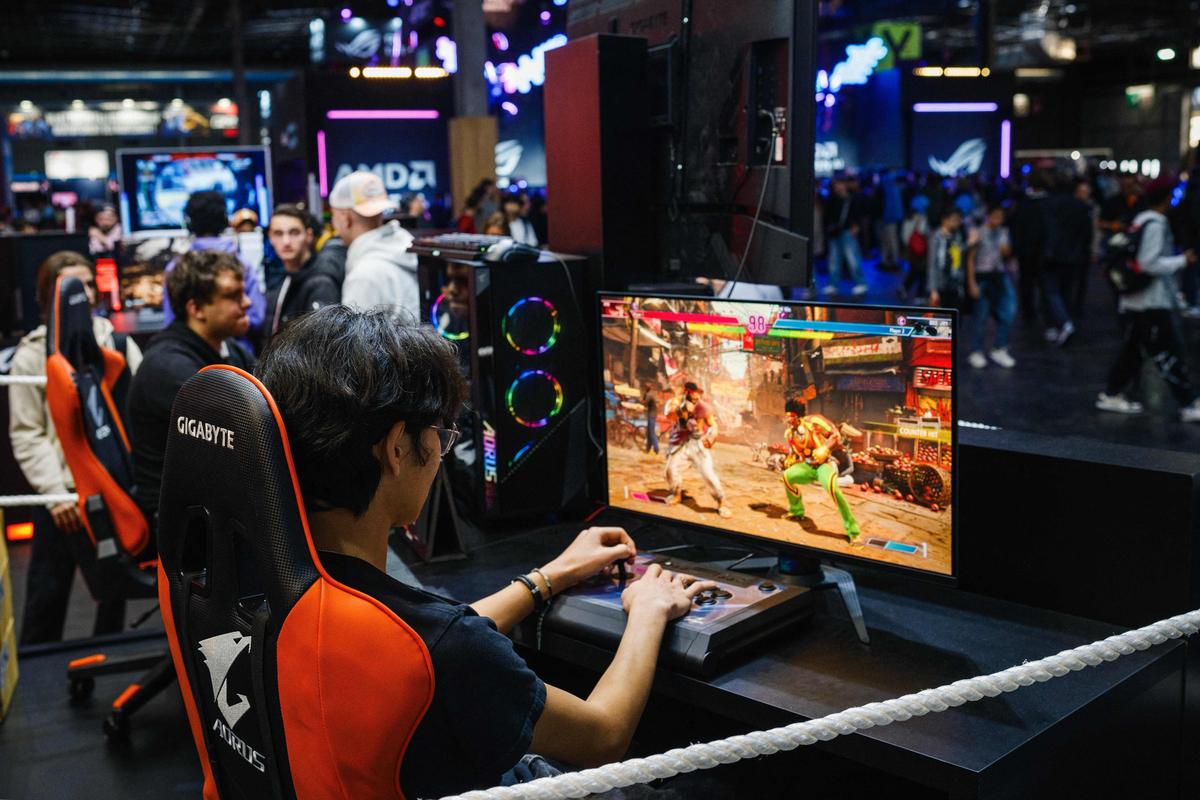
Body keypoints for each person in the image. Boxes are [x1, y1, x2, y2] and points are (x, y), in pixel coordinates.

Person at [256, 306, 717, 797]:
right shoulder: (447, 647)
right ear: (396, 448)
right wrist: (648, 611)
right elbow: (604, 734)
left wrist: (549, 577)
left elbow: (414, 655)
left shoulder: (276, 577)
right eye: (440, 433)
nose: (439, 451)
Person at [9, 251, 143, 643]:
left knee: (114, 592)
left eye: (86, 285)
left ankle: (103, 666)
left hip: (112, 491)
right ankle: (37, 683)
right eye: (70, 286)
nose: (80, 294)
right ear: (46, 294)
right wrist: (54, 494)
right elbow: (27, 432)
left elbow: (134, 414)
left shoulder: (115, 343)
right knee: (46, 596)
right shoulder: (31, 354)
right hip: (62, 497)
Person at [127, 250, 255, 528]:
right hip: (181, 525)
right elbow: (248, 430)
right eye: (233, 296)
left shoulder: (229, 350)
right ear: (196, 309)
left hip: (214, 505)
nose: (247, 303)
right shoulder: (167, 367)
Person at [1097, 177, 1200, 422]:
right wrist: (1181, 261)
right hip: (1149, 301)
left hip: (1135, 299)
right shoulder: (1156, 223)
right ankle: (1188, 402)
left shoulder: (1141, 219)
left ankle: (1112, 393)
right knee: (1168, 350)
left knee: (1133, 352)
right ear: (1166, 198)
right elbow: (1148, 263)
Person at [160, 191, 266, 348]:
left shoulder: (175, 268)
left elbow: (171, 322)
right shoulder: (243, 264)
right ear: (225, 220)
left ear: (189, 222)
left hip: (191, 355)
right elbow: (256, 318)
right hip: (237, 363)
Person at [329, 170, 420, 320]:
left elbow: (356, 342)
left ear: (345, 218)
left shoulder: (365, 275)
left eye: (334, 215)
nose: (333, 222)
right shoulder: (405, 248)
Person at [779, 400, 859, 543]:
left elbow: (835, 435)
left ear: (798, 416)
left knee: (833, 491)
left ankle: (853, 531)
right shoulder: (790, 434)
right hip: (807, 467)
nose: (788, 420)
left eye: (791, 416)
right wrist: (791, 459)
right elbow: (796, 453)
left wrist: (826, 448)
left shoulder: (814, 422)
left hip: (824, 465)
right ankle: (797, 511)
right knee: (787, 476)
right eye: (787, 417)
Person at [263, 204, 341, 342]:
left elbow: (320, 344)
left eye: (294, 233)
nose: (286, 241)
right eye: (278, 234)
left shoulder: (321, 282)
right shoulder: (285, 276)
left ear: (308, 235)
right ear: (270, 237)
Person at [663, 381, 731, 518]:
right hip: (681, 443)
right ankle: (677, 494)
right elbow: (669, 416)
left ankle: (721, 501)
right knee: (670, 470)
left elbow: (713, 425)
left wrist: (712, 437)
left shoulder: (703, 407)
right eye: (692, 392)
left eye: (697, 393)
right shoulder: (676, 403)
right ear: (687, 392)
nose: (695, 395)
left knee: (708, 474)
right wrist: (682, 409)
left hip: (698, 444)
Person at [1041, 179, 1091, 346]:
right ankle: (1062, 322)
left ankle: (1062, 323)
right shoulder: (1081, 207)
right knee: (1065, 290)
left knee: (1052, 291)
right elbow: (1086, 233)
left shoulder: (1050, 205)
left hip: (1053, 255)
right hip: (1073, 255)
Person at [966, 204, 1017, 369]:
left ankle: (999, 347)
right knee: (981, 315)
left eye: (1001, 217)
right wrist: (972, 282)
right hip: (982, 276)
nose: (998, 220)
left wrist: (1006, 250)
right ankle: (976, 350)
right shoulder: (978, 232)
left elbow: (1007, 255)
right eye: (995, 216)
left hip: (1000, 276)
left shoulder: (1003, 232)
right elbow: (970, 259)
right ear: (989, 215)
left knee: (1008, 311)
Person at [823, 178, 868, 296]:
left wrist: (856, 226)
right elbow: (827, 215)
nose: (839, 186)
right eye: (837, 184)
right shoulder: (831, 199)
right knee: (834, 260)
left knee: (852, 258)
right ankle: (833, 284)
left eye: (841, 183)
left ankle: (861, 283)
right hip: (834, 233)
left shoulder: (851, 198)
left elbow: (859, 213)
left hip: (848, 231)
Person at [927, 208, 968, 309]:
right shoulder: (936, 237)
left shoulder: (958, 235)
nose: (958, 223)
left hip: (955, 285)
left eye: (959, 220)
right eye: (954, 220)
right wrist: (933, 290)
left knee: (956, 316)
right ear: (944, 220)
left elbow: (959, 258)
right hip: (940, 285)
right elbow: (932, 264)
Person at [642, 381, 659, 455]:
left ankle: (656, 448)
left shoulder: (649, 395)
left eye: (645, 387)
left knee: (651, 432)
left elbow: (645, 403)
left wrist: (643, 397)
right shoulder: (651, 394)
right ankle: (648, 449)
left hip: (651, 415)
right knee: (649, 432)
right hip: (652, 414)